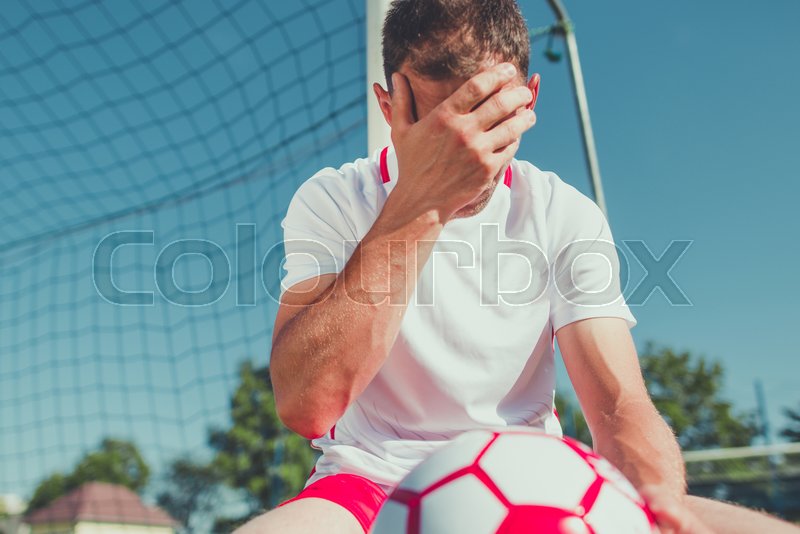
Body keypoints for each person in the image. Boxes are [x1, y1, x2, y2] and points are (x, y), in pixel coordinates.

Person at [235, 1, 799, 533]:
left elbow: (617, 402)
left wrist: (655, 493)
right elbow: (307, 406)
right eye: (440, 131)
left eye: (490, 120)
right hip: (369, 484)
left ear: (527, 101)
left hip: (533, 478)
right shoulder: (335, 198)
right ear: (389, 109)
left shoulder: (562, 212)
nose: (468, 151)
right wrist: (422, 203)